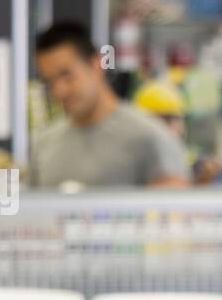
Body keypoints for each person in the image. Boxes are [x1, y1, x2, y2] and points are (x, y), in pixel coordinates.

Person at [30, 21, 189, 188]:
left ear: (96, 65)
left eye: (67, 75)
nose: (59, 91)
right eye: (50, 81)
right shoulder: (43, 146)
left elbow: (173, 210)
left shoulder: (151, 139)